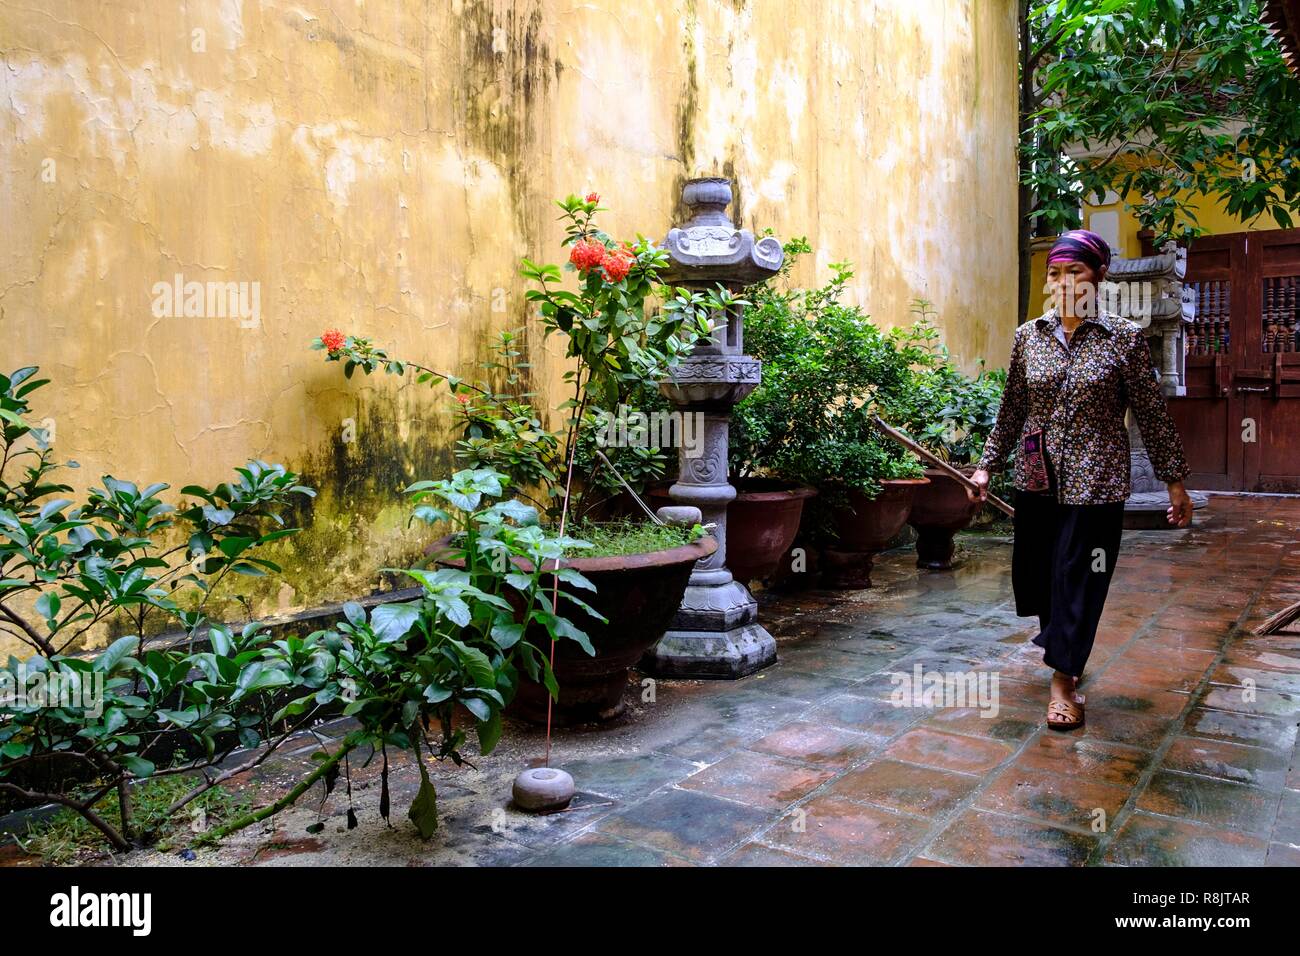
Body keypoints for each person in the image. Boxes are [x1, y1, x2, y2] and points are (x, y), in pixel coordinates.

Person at [969, 229, 1194, 730]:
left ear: (1098, 277)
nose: (1064, 282)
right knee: (1041, 577)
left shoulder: (1124, 338)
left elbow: (1151, 414)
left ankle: (1063, 682)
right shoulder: (1029, 337)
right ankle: (1065, 651)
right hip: (1037, 475)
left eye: (1075, 272)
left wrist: (1174, 481)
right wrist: (987, 463)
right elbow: (1012, 409)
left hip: (1097, 481)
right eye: (1055, 273)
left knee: (1079, 576)